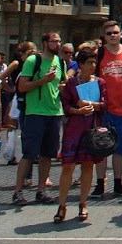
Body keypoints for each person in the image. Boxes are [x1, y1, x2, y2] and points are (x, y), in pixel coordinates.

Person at [13, 31, 66, 205]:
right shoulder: (32, 61)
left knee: (47, 154)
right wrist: (42, 81)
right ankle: (18, 192)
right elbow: (22, 86)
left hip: (54, 112)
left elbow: (61, 84)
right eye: (54, 41)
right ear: (45, 43)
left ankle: (41, 189)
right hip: (35, 113)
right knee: (29, 153)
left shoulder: (60, 62)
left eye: (59, 41)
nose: (58, 44)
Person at [54, 49, 104, 222]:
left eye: (94, 62)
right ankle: (62, 205)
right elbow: (65, 106)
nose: (93, 66)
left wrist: (91, 104)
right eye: (89, 62)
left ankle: (83, 203)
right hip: (74, 129)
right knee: (68, 166)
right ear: (80, 64)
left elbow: (105, 105)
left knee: (88, 165)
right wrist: (78, 110)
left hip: (92, 128)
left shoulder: (100, 82)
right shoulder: (71, 83)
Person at [92, 20, 122, 198]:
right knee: (102, 147)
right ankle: (100, 183)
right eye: (109, 33)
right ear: (104, 36)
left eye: (115, 32)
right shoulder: (100, 53)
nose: (112, 35)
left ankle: (118, 182)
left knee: (120, 149)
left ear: (120, 34)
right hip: (104, 108)